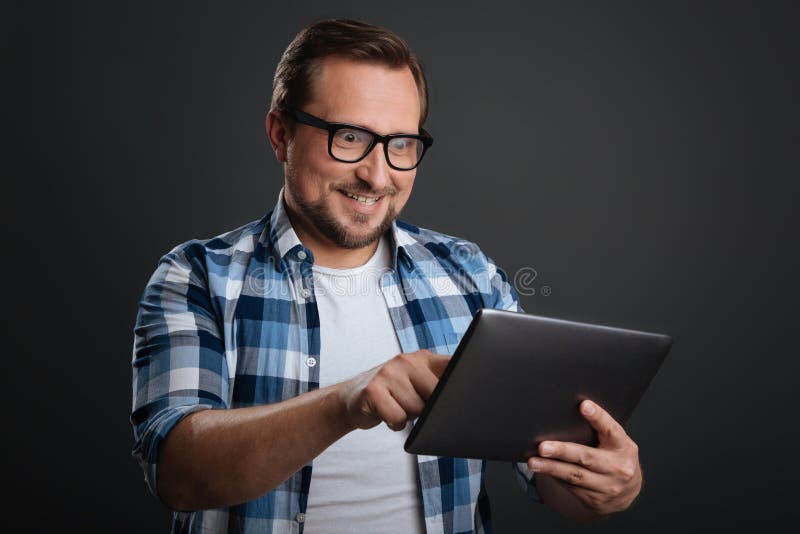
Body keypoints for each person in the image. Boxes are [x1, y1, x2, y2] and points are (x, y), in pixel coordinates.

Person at [130, 18, 643, 533]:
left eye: (401, 143)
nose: (377, 175)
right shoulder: (196, 276)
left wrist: (606, 485)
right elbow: (177, 472)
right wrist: (344, 401)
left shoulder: (470, 276)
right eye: (349, 137)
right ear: (281, 135)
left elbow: (549, 472)